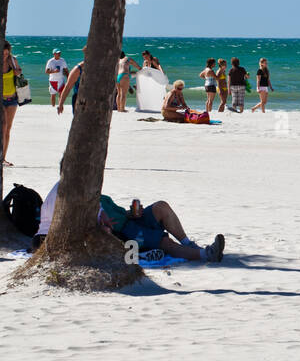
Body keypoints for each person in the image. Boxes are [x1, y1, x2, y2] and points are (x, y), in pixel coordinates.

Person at [33, 175, 224, 263]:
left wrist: (131, 214)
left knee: (161, 207)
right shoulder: (74, 195)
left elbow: (113, 211)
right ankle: (205, 255)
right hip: (123, 231)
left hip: (129, 220)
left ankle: (189, 244)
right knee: (163, 242)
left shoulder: (92, 192)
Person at [2, 40, 22, 166]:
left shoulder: (12, 60)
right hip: (1, 99)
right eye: (2, 54)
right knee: (2, 127)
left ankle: (3, 158)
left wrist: (15, 68)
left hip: (12, 98)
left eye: (6, 53)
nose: (4, 56)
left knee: (7, 129)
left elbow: (19, 72)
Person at [57, 50, 86, 116]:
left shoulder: (98, 68)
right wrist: (60, 104)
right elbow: (67, 87)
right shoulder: (78, 69)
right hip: (79, 100)